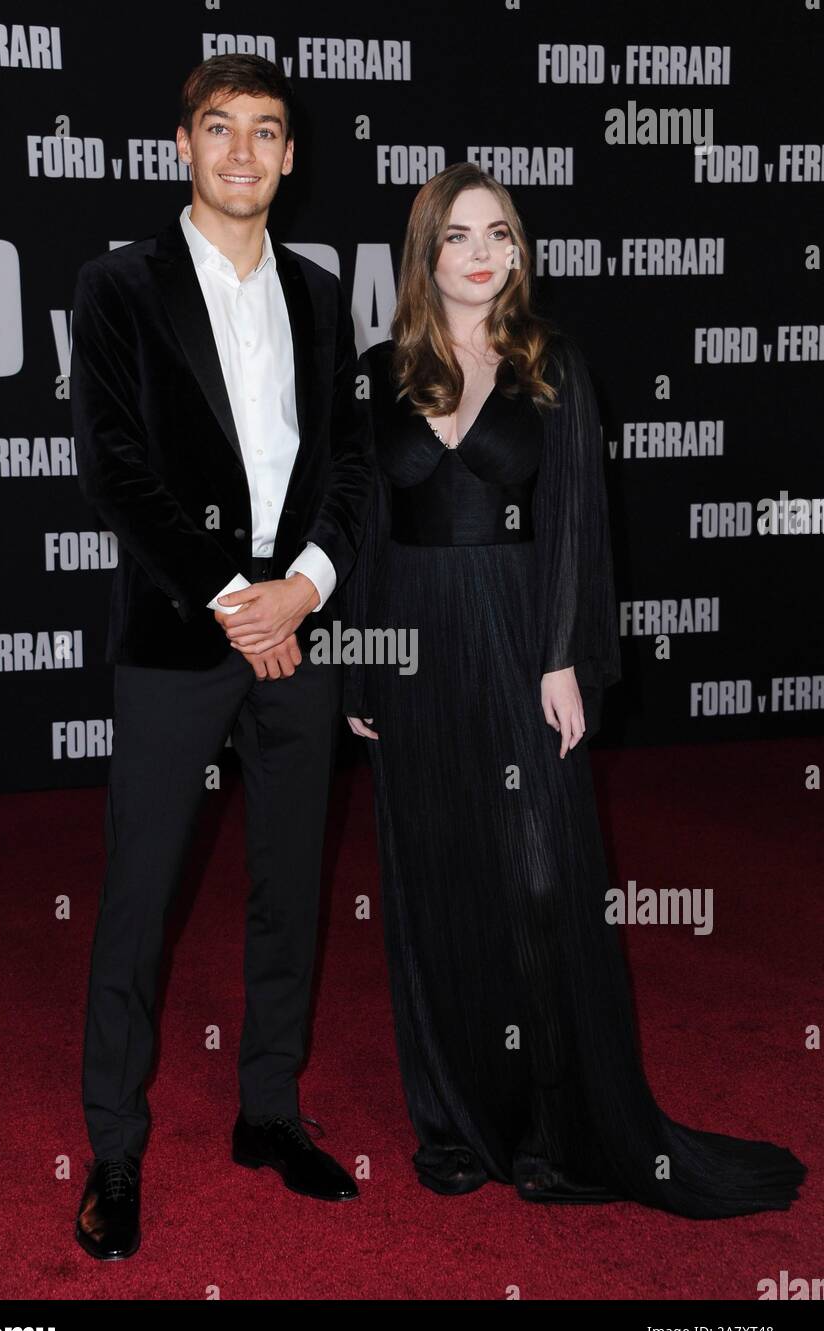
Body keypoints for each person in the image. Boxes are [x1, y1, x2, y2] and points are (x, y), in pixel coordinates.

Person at [339, 162, 807, 1217]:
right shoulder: (375, 373)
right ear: (424, 253)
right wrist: (359, 659)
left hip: (515, 635)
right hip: (410, 636)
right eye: (456, 235)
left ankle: (552, 1126)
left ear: (516, 250)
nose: (478, 252)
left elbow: (575, 522)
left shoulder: (549, 362)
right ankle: (453, 1123)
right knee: (430, 885)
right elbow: (361, 524)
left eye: (496, 233)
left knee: (538, 883)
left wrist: (561, 655)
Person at [70, 55, 372, 1260]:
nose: (243, 153)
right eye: (219, 130)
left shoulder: (317, 292)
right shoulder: (116, 289)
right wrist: (232, 597)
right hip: (178, 627)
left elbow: (347, 468)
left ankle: (269, 1111)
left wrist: (302, 588)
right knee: (140, 893)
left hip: (296, 625)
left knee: (288, 885)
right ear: (183, 147)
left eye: (266, 132)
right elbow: (116, 472)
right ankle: (112, 1144)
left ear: (291, 156)